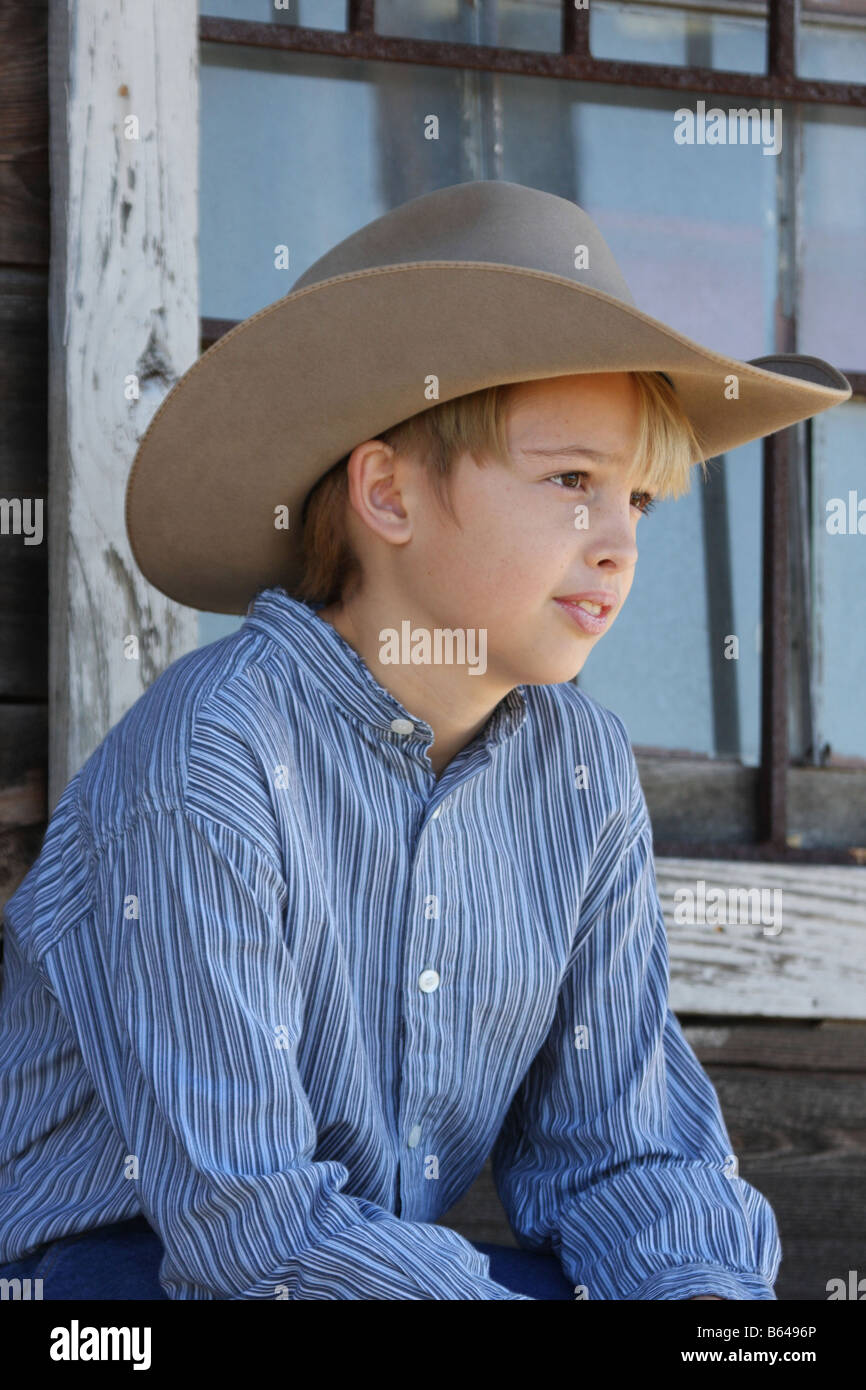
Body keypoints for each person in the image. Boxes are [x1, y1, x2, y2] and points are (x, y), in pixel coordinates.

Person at [0, 181, 851, 1300]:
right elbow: (246, 1227)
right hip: (112, 1287)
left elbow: (622, 1149)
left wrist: (706, 1311)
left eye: (637, 499)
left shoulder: (576, 768)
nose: (616, 544)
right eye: (570, 482)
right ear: (388, 493)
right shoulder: (212, 758)